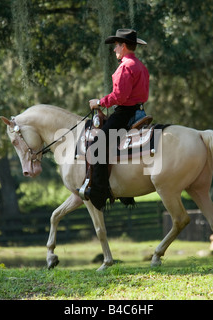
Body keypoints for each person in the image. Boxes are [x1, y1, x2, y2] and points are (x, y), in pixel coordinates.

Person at [79, 29, 149, 211]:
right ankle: (125, 192)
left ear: (123, 46)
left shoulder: (125, 67)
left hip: (124, 113)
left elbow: (119, 96)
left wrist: (99, 102)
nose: (114, 49)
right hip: (139, 111)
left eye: (116, 45)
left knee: (96, 145)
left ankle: (100, 193)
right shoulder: (140, 66)